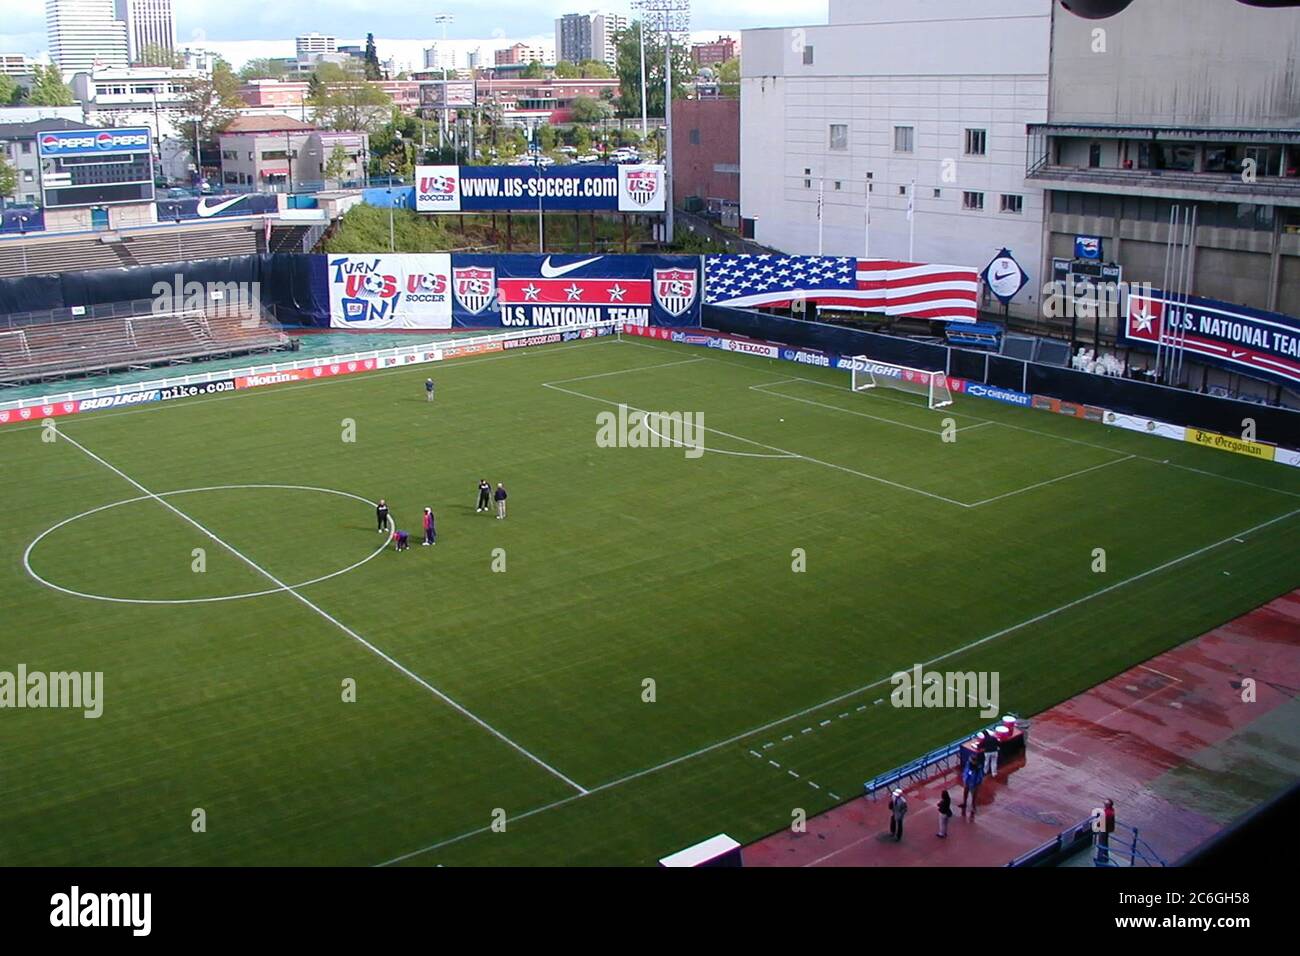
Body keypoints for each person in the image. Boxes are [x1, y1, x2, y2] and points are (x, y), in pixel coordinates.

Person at [960, 747, 985, 818]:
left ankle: (973, 807)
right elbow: (966, 771)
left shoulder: (978, 768)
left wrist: (977, 783)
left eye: (971, 759)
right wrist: (964, 778)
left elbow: (980, 776)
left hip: (974, 784)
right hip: (967, 782)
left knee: (973, 796)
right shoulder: (968, 764)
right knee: (965, 793)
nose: (970, 760)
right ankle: (964, 803)